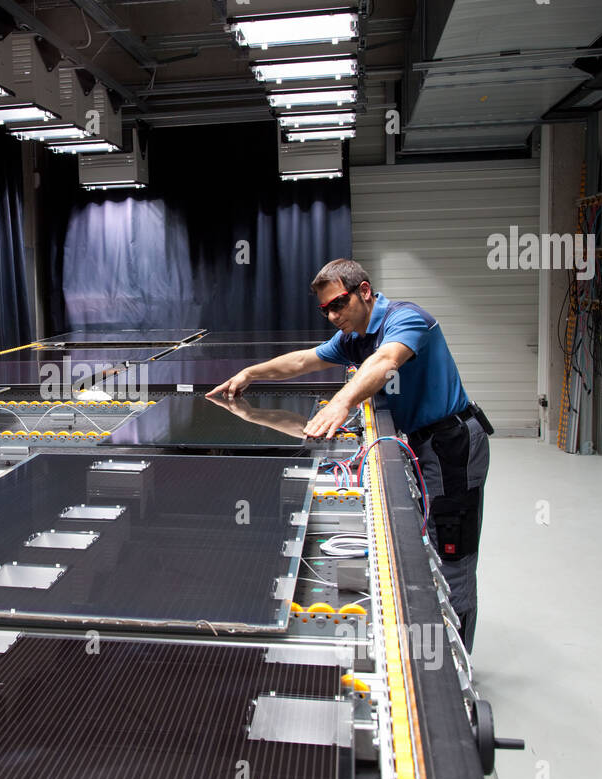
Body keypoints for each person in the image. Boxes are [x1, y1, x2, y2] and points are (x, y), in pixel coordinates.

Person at [206, 258, 491, 651]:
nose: (333, 315)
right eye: (325, 310)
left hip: (450, 444)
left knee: (453, 552)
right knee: (430, 537)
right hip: (419, 442)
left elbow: (386, 361)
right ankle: (430, 638)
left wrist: (342, 403)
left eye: (339, 304)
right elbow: (304, 360)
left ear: (365, 291)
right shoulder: (353, 336)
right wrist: (251, 373)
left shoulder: (406, 318)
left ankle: (454, 669)